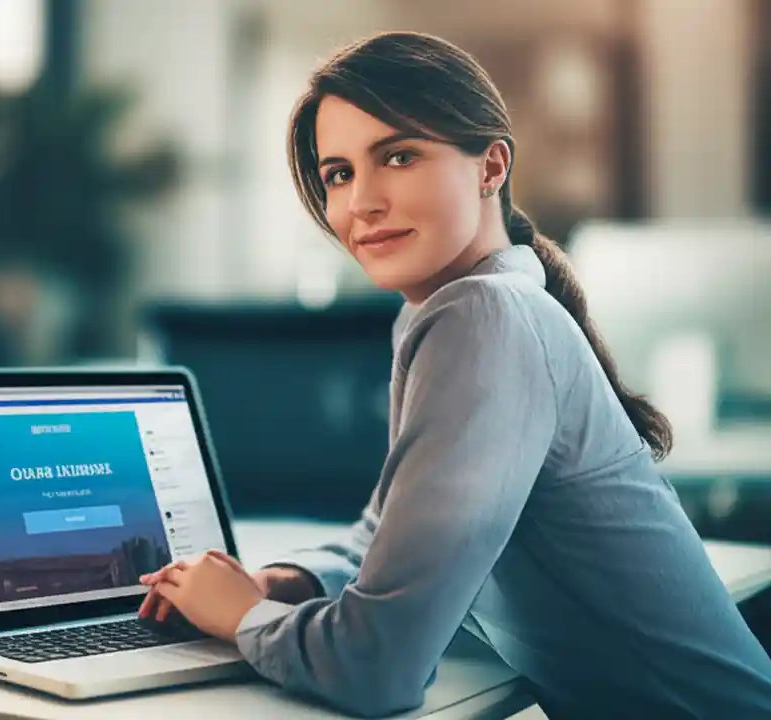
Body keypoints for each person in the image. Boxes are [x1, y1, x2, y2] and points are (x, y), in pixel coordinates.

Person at [137, 31, 771, 719]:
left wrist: (242, 618)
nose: (361, 203)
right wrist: (279, 583)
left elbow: (376, 667)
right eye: (339, 174)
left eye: (399, 156)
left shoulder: (483, 317)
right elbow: (385, 533)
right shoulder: (444, 311)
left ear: (490, 166)